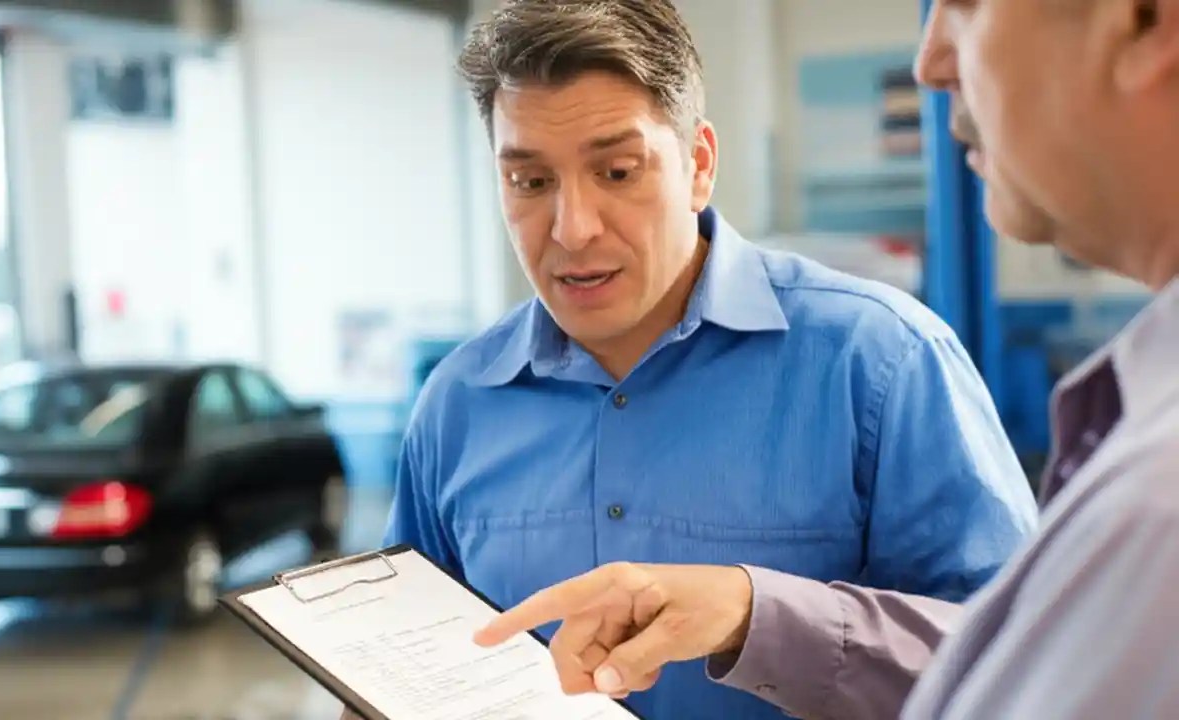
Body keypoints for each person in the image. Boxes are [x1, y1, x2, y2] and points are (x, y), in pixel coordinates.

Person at [475, 0, 1179, 718]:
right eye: (530, 183)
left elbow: (1015, 660)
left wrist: (758, 618)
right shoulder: (455, 405)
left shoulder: (885, 362)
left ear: (699, 166)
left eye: (619, 171)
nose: (573, 229)